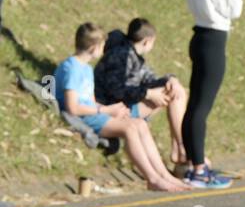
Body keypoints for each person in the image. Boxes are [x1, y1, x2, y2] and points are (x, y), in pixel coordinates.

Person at [54, 23, 190, 192]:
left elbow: (91, 101)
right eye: (103, 45)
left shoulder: (86, 68)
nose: (105, 50)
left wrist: (114, 110)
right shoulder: (72, 68)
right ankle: (153, 178)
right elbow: (73, 107)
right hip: (86, 117)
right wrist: (105, 111)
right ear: (93, 47)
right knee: (130, 129)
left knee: (140, 124)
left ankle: (164, 175)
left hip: (96, 113)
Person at [179, 0, 245, 188]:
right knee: (201, 108)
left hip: (199, 35)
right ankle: (198, 169)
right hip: (214, 38)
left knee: (194, 105)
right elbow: (232, 9)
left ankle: (194, 162)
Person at [93, 17, 189, 167]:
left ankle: (179, 147)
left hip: (123, 104)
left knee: (175, 90)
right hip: (112, 109)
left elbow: (151, 78)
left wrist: (172, 80)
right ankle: (181, 148)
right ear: (147, 41)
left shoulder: (134, 56)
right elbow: (116, 91)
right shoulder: (121, 56)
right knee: (174, 94)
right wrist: (148, 94)